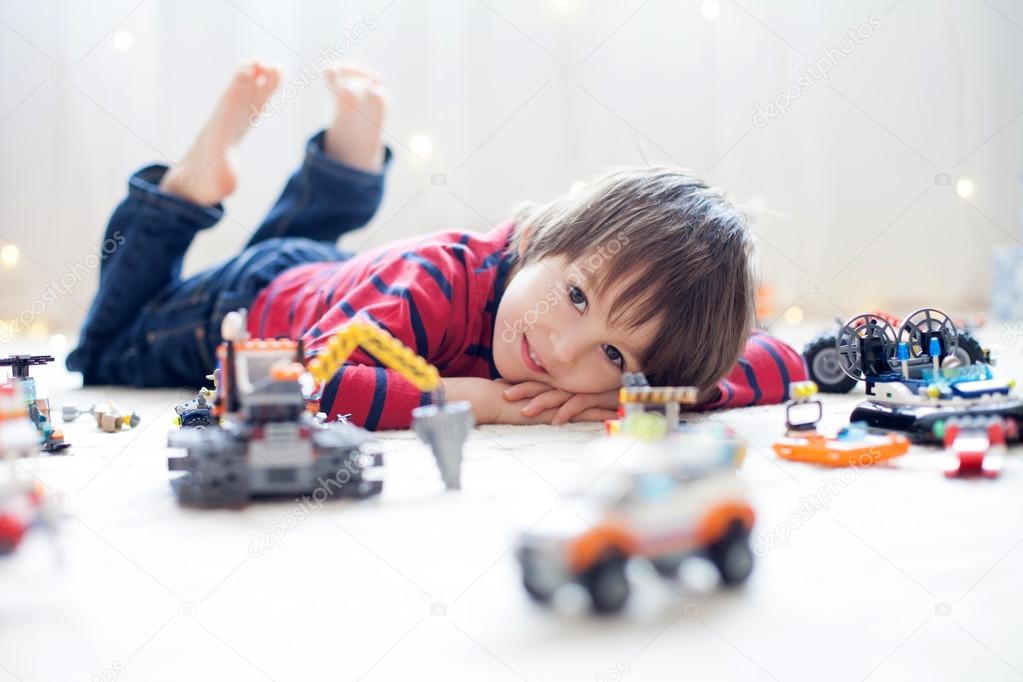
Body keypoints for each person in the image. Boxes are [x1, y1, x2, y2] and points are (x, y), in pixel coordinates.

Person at [67, 61, 806, 430]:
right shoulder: (438, 288)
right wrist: (473, 400)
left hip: (328, 282)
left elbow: (778, 360)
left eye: (612, 355)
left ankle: (348, 160)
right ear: (544, 234)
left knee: (307, 242)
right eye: (576, 295)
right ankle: (186, 189)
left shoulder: (604, 336)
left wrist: (648, 390)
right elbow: (302, 384)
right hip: (246, 307)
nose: (562, 347)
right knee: (102, 348)